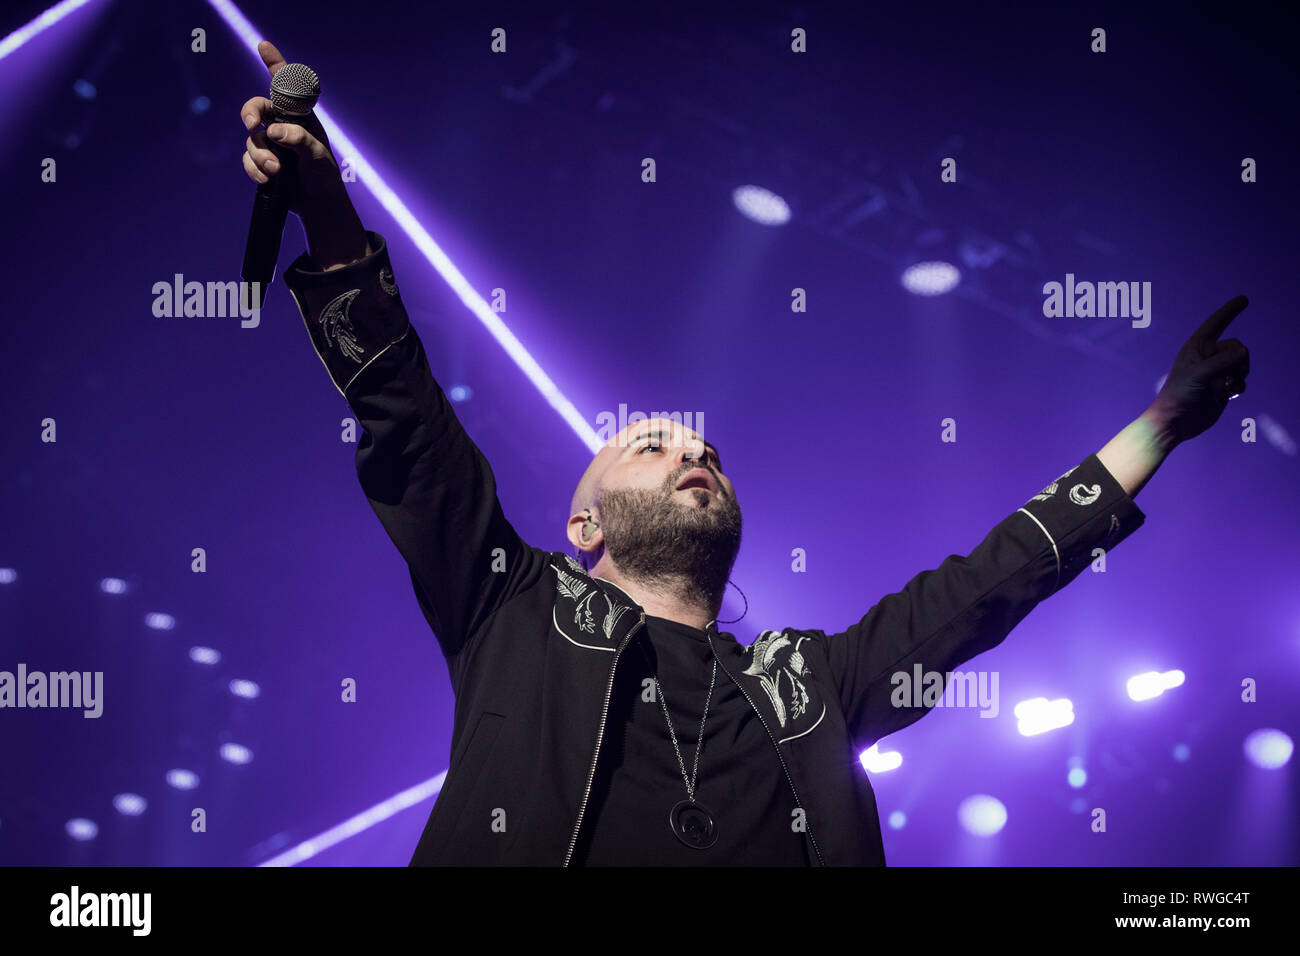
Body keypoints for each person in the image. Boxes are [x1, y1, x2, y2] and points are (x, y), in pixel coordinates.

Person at [241, 41, 1251, 865]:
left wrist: (1161, 418)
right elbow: (404, 417)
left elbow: (1001, 575)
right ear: (581, 524)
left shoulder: (810, 682)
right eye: (651, 443)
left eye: (706, 450)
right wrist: (328, 212)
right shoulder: (511, 607)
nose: (693, 454)